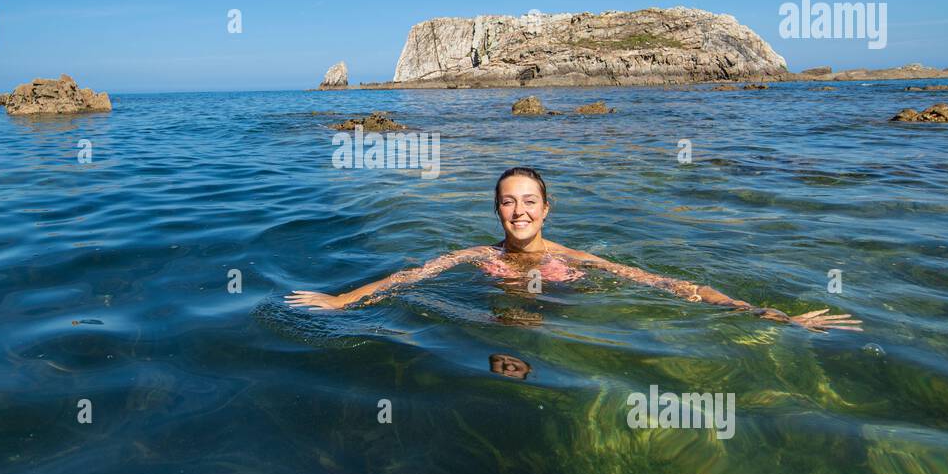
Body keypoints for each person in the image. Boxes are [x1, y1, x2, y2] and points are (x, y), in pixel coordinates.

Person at [286, 166, 862, 334]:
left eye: (530, 201)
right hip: (497, 331)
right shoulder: (474, 258)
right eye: (508, 202)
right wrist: (343, 302)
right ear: (496, 211)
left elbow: (668, 286)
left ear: (547, 208)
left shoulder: (577, 261)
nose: (520, 211)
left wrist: (774, 314)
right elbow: (406, 278)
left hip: (564, 327)